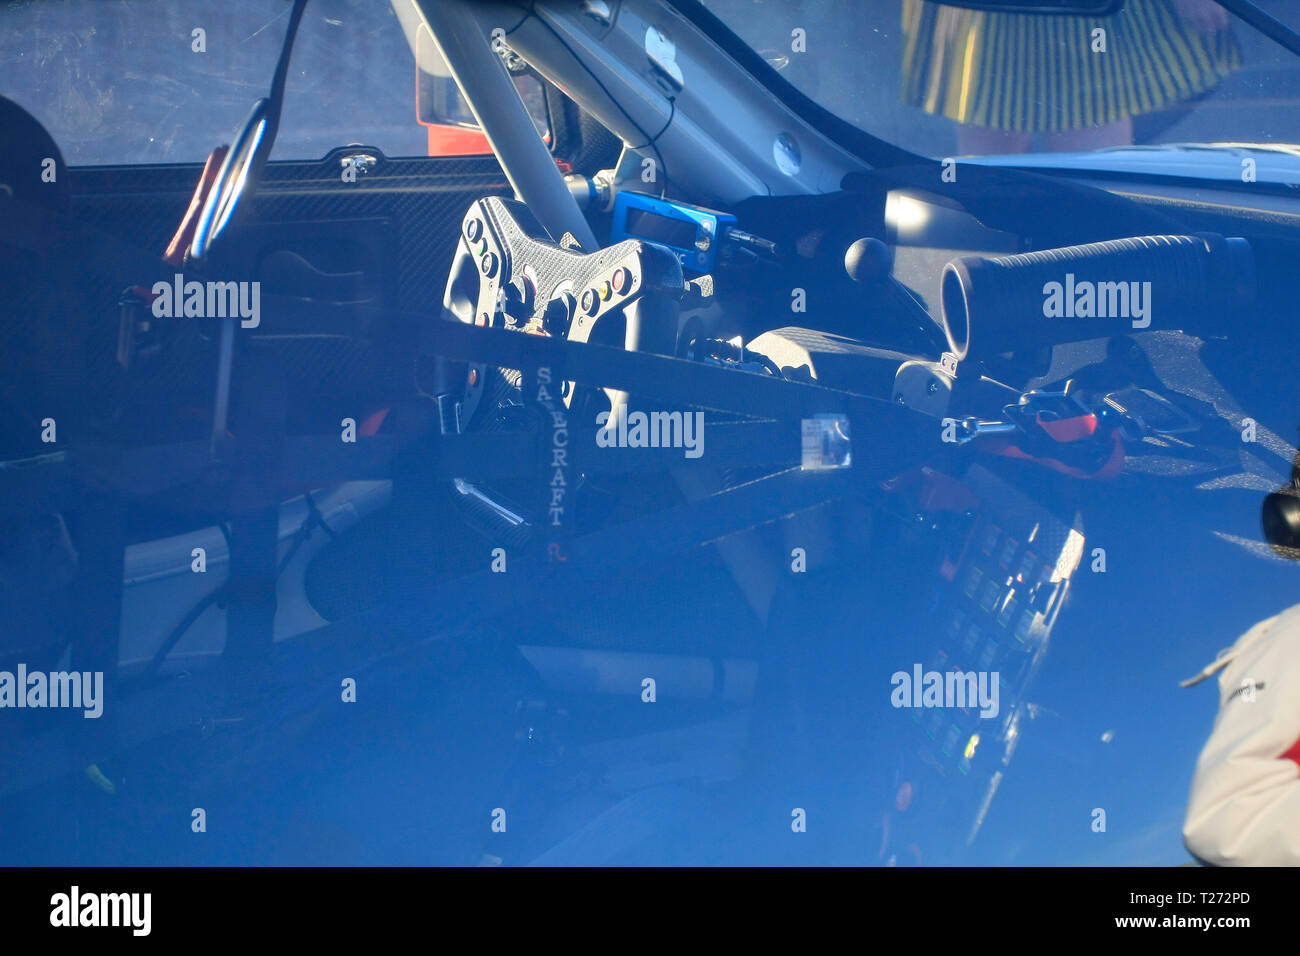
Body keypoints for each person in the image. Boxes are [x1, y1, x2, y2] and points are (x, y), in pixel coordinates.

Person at [900, 0, 1241, 154]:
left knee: (1093, 164)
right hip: (988, 15)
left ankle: (1091, 279)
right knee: (989, 166)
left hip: (1079, 16)